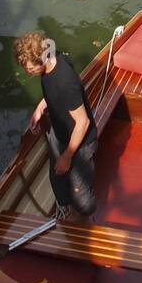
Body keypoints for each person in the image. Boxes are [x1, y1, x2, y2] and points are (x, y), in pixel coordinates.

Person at [15, 30, 98, 224]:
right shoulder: (51, 57)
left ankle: (84, 220)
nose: (27, 73)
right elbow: (52, 94)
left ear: (42, 59)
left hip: (79, 143)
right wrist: (40, 107)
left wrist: (67, 157)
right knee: (57, 178)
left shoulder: (64, 81)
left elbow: (83, 122)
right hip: (59, 133)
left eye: (29, 68)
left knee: (83, 199)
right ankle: (67, 212)